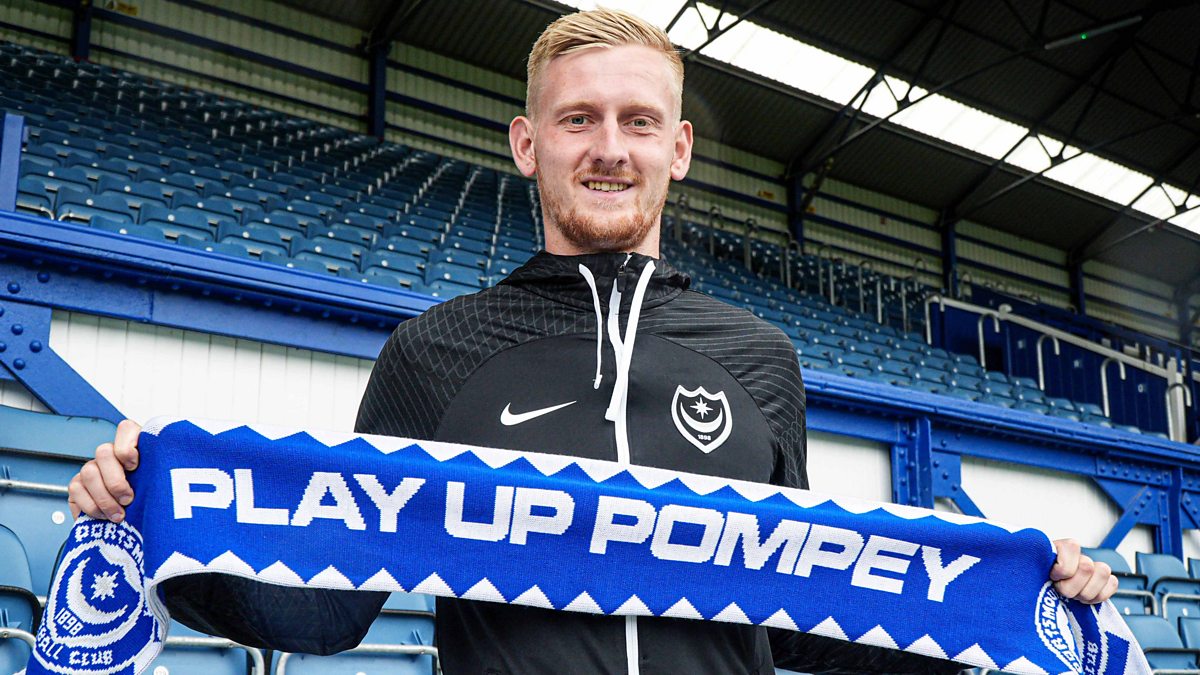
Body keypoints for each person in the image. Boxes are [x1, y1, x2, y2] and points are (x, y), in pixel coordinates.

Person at [68, 8, 1116, 674]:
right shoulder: (435, 352)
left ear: (680, 148)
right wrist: (159, 528)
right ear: (528, 144)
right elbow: (332, 612)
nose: (608, 149)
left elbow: (801, 614)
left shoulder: (759, 357)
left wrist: (1021, 597)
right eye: (577, 121)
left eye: (637, 121)